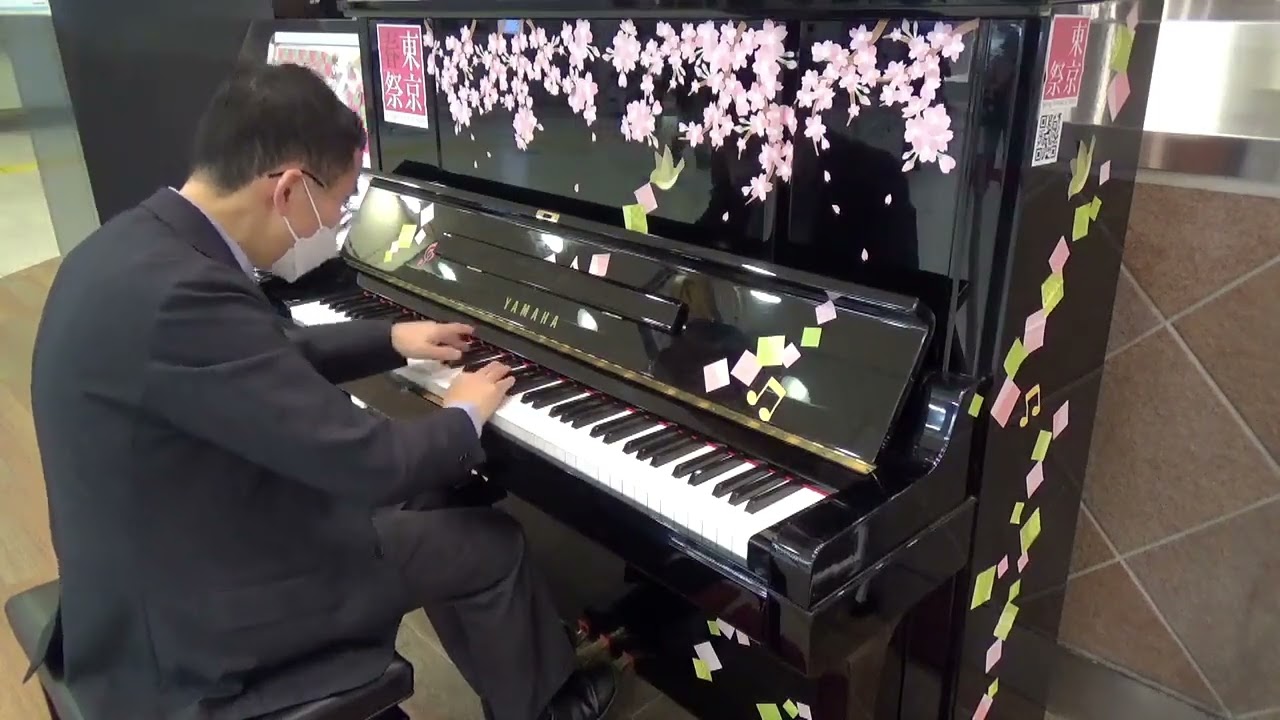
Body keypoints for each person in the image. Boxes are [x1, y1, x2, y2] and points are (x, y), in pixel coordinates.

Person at [27, 62, 616, 720]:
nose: (329, 228)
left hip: (164, 558)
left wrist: (390, 340)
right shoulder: (183, 296)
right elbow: (375, 464)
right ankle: (542, 708)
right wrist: (461, 415)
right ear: (286, 189)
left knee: (433, 492)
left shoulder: (134, 245)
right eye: (335, 207)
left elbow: (252, 354)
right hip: (200, 622)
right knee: (492, 544)